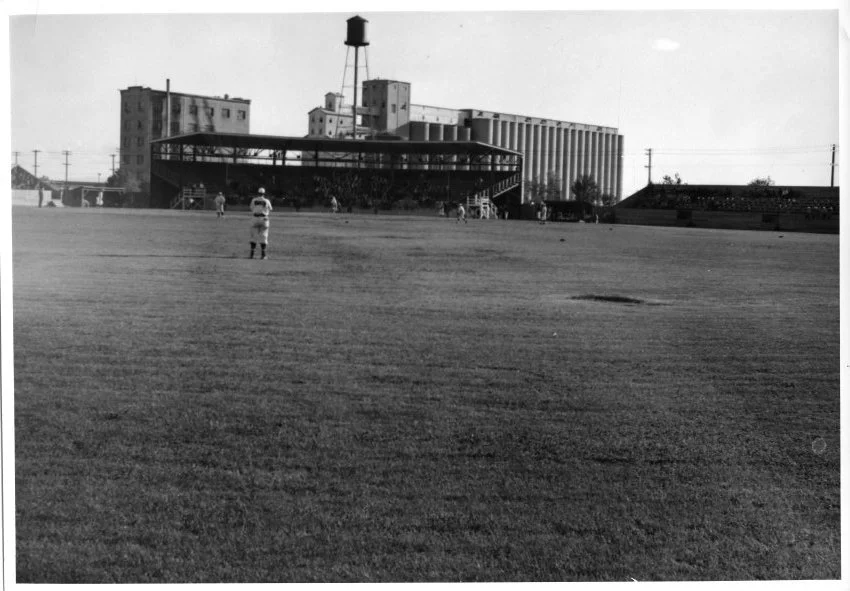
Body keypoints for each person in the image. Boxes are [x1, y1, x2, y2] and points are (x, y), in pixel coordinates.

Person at [249, 187, 273, 260]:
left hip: (255, 218)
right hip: (264, 218)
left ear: (258, 193)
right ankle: (263, 255)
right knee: (264, 236)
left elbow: (251, 208)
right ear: (264, 193)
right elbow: (270, 209)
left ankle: (252, 254)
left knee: (253, 236)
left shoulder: (254, 200)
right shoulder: (267, 200)